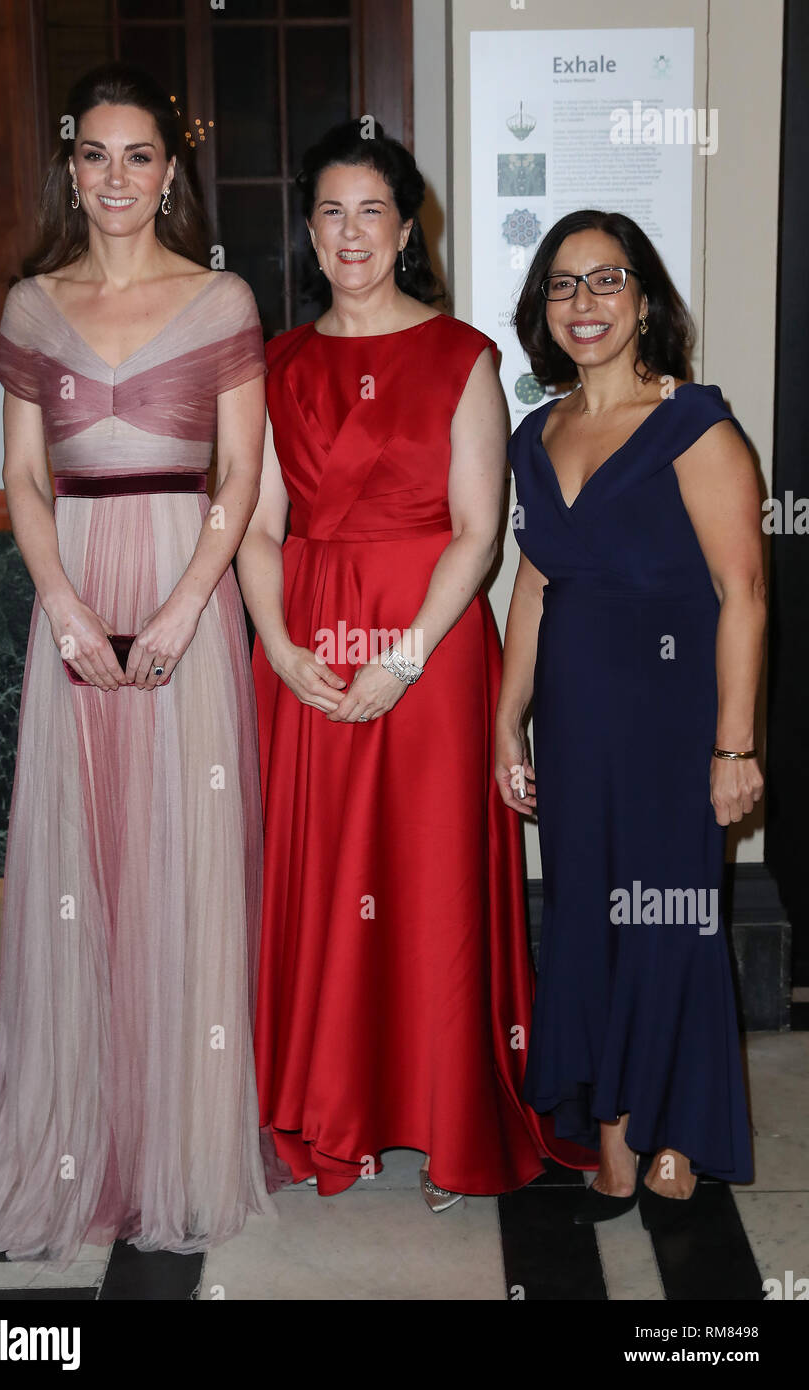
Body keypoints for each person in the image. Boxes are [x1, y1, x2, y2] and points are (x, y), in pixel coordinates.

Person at [0, 63, 283, 1268]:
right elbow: (24, 478)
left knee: (185, 857)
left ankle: (176, 1133)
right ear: (69, 170)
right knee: (83, 854)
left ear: (169, 172)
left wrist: (191, 604)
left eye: (140, 157)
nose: (118, 178)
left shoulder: (226, 299)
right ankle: (73, 1127)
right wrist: (64, 604)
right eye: (96, 156)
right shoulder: (31, 305)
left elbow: (239, 478)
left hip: (190, 581)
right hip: (73, 584)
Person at [236, 120, 595, 1211]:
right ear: (310, 231)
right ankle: (322, 1112)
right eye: (330, 212)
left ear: (406, 230)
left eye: (372, 212)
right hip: (306, 653)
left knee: (429, 883)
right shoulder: (276, 364)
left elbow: (479, 532)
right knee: (324, 884)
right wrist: (286, 649)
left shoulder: (461, 358)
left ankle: (445, 1112)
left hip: (427, 656)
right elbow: (253, 523)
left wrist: (398, 657)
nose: (351, 233)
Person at [497, 210, 764, 1229]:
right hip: (574, 721)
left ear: (643, 298)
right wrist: (504, 722)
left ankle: (680, 1131)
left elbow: (744, 591)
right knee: (587, 916)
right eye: (563, 286)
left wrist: (733, 745)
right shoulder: (538, 432)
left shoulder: (693, 421)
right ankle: (610, 1129)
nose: (585, 302)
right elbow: (532, 586)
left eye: (605, 280)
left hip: (671, 715)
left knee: (672, 918)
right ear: (544, 311)